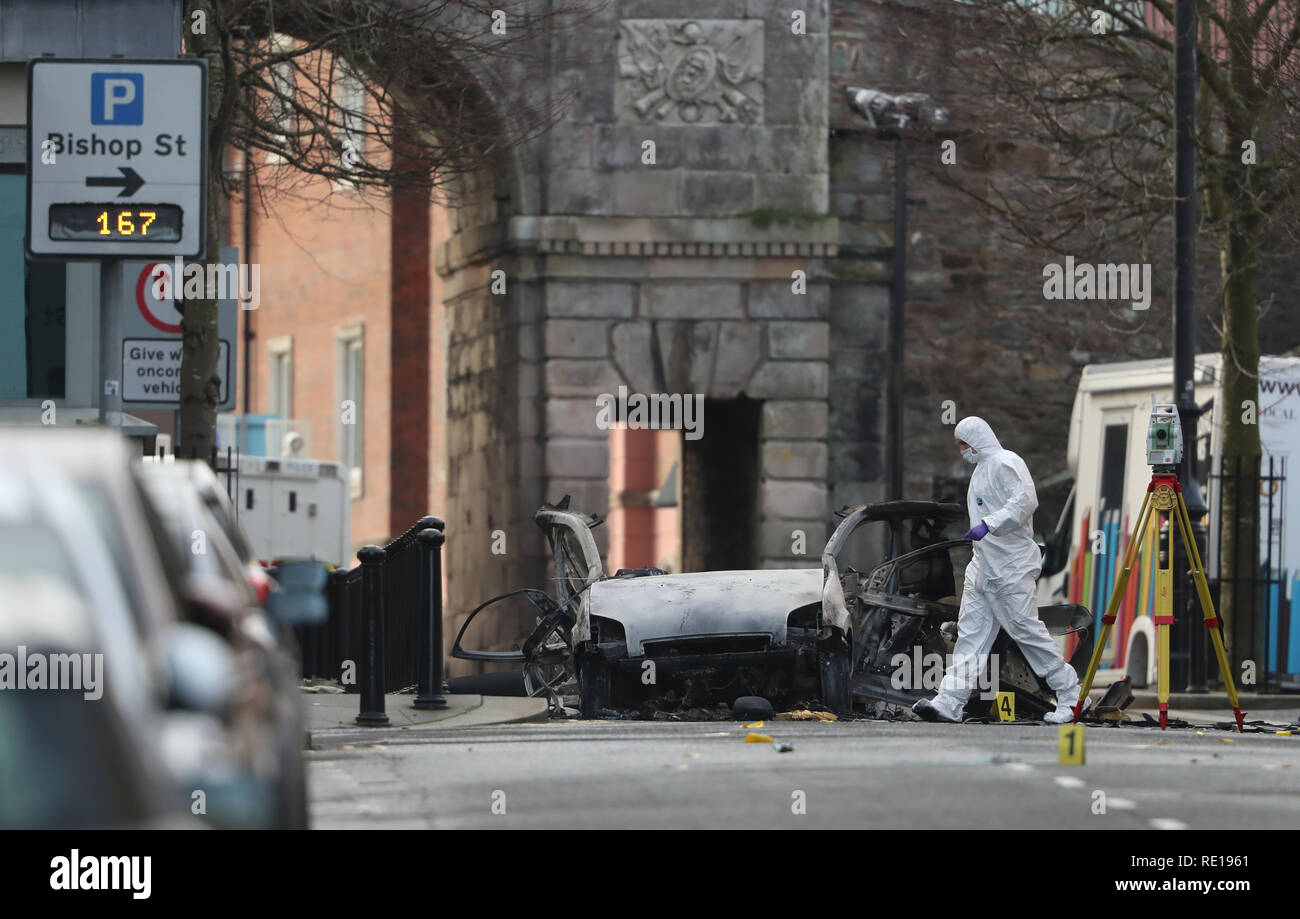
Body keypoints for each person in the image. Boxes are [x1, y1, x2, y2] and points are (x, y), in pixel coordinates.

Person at [913, 416, 1081, 724]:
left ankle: (1070, 696)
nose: (962, 450)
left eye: (964, 444)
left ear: (977, 440)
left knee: (1026, 632)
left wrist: (989, 525)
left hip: (1010, 568)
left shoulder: (1006, 463)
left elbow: (1025, 502)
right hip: (985, 567)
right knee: (971, 636)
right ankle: (949, 701)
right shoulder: (981, 470)